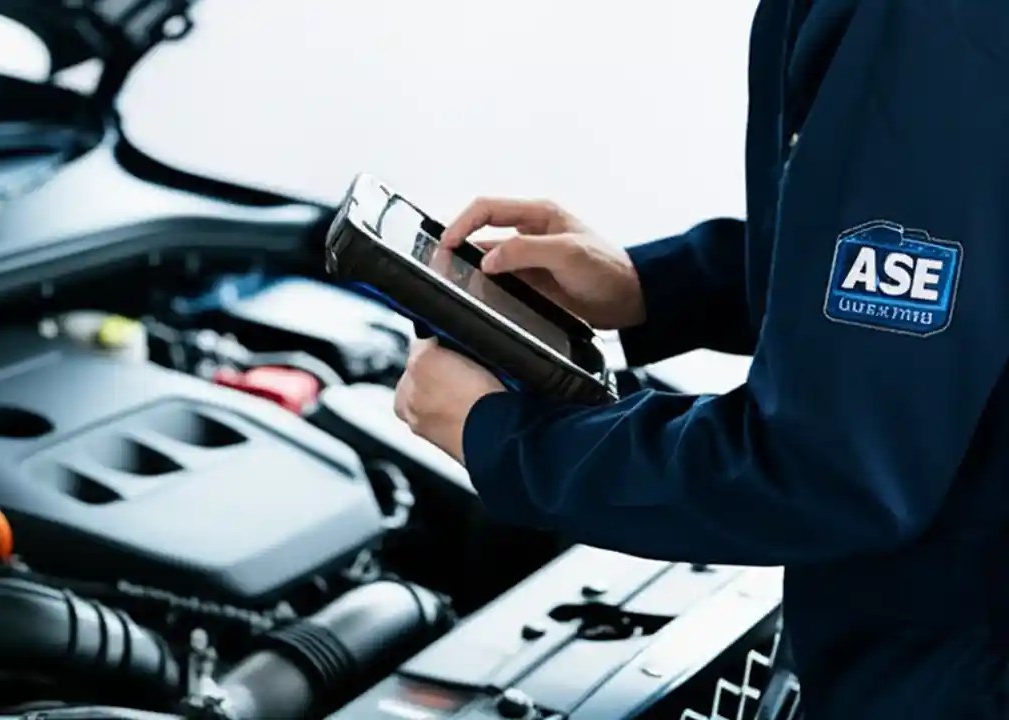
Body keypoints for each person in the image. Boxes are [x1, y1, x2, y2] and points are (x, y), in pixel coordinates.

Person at [391, 1, 1009, 718]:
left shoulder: (923, 22)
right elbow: (947, 258)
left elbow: (825, 467)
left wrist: (505, 440)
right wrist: (657, 286)